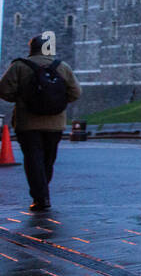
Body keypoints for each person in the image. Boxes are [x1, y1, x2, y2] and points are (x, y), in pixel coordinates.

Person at [0, 36, 81, 212]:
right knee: (47, 161)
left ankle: (41, 197)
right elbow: (76, 92)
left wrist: (20, 99)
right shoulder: (62, 66)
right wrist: (58, 102)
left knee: (33, 160)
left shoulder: (19, 66)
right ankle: (42, 192)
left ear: (32, 49)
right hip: (55, 123)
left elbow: (4, 90)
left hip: (27, 123)